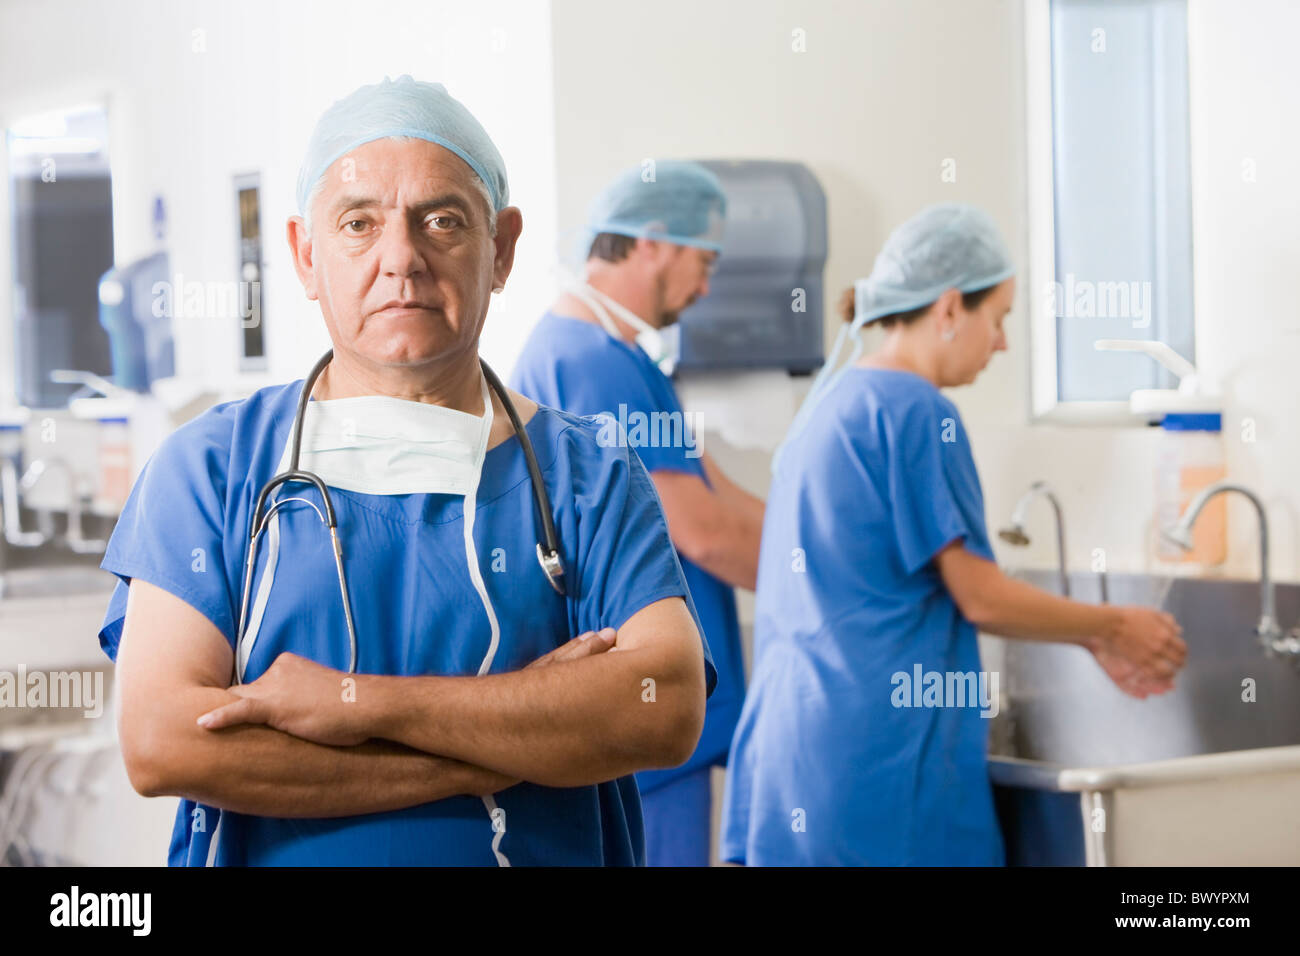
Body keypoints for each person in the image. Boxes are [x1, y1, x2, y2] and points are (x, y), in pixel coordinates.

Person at [97, 76, 713, 866]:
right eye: (359, 224)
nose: (402, 261)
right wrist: (520, 739)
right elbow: (164, 746)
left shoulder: (587, 475)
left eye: (443, 221)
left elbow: (661, 707)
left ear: (503, 250)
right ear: (304, 255)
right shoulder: (210, 471)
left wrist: (348, 706)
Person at [720, 203, 1187, 866]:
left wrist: (1094, 632)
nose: (1000, 343)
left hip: (790, 750)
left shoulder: (830, 406)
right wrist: (1113, 626)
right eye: (997, 319)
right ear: (947, 310)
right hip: (878, 761)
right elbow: (982, 597)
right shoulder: (915, 412)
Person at [510, 162, 763, 866]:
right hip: (641, 699)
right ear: (651, 241)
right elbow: (702, 530)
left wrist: (810, 543)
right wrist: (822, 585)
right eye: (703, 260)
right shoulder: (593, 363)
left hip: (663, 704)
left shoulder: (623, 358)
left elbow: (710, 489)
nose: (707, 286)